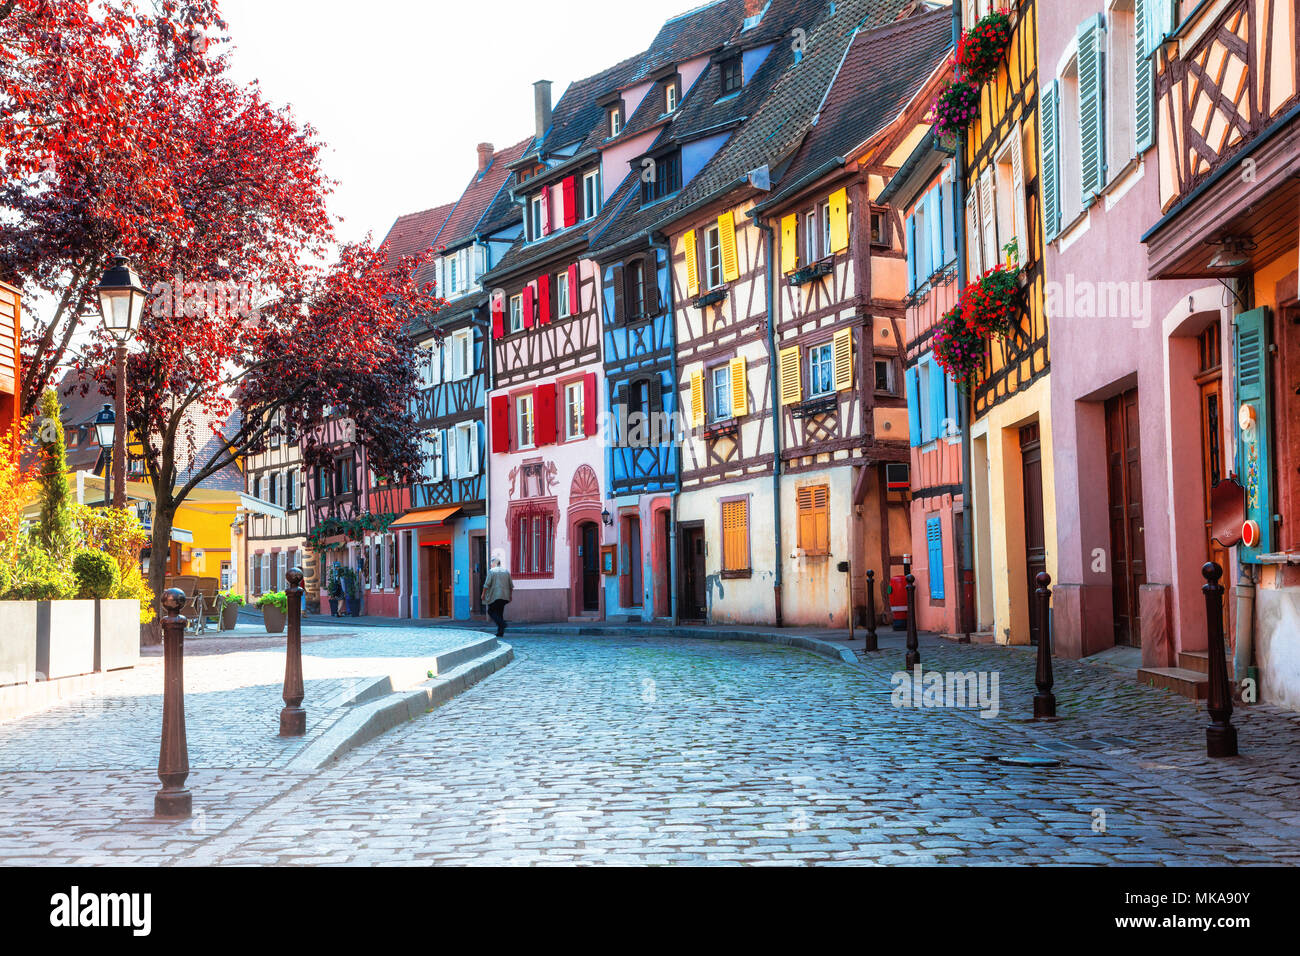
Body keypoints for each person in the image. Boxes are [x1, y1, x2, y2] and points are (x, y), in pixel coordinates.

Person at [481, 556, 513, 638]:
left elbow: (486, 584)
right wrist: (510, 596)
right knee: (500, 612)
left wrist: (483, 594)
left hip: (494, 595)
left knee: (491, 611)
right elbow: (511, 586)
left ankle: (502, 624)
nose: (491, 565)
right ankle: (500, 632)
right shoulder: (506, 571)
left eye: (492, 563)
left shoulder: (492, 571)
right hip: (504, 596)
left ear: (494, 563)